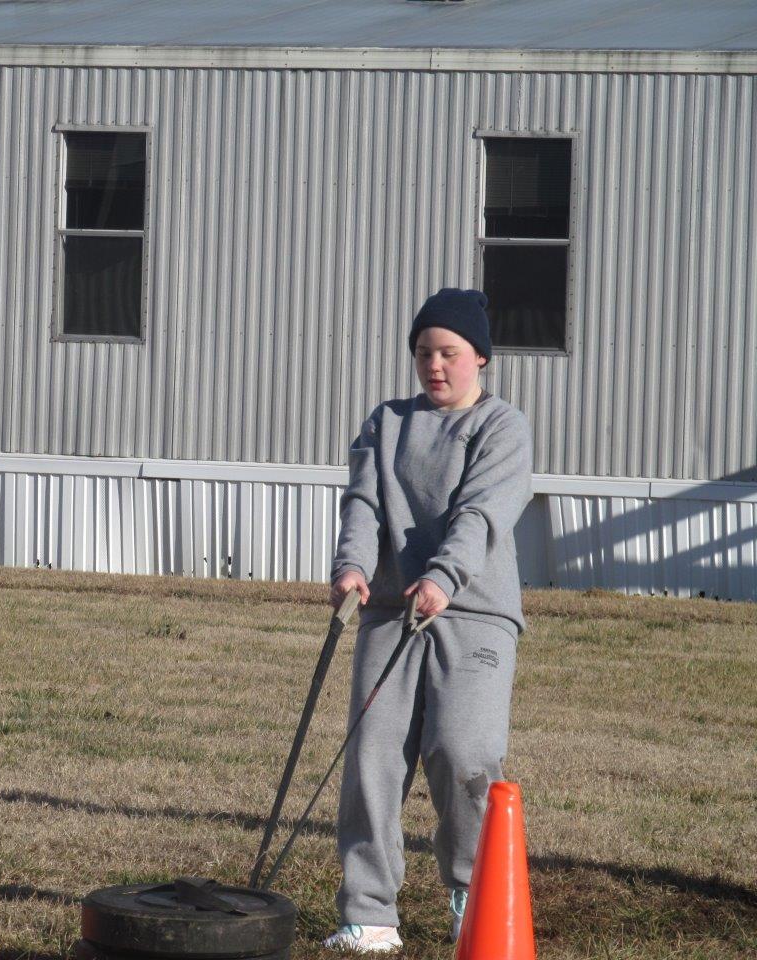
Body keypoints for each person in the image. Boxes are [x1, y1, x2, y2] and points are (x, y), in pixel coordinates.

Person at [322, 288, 534, 954]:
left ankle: (474, 896)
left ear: (481, 357)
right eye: (424, 353)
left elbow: (481, 514)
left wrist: (442, 579)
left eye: (449, 353)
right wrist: (353, 569)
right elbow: (363, 506)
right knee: (373, 757)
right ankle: (368, 913)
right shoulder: (386, 423)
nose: (435, 365)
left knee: (463, 751)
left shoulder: (501, 427)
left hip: (473, 614)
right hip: (389, 610)